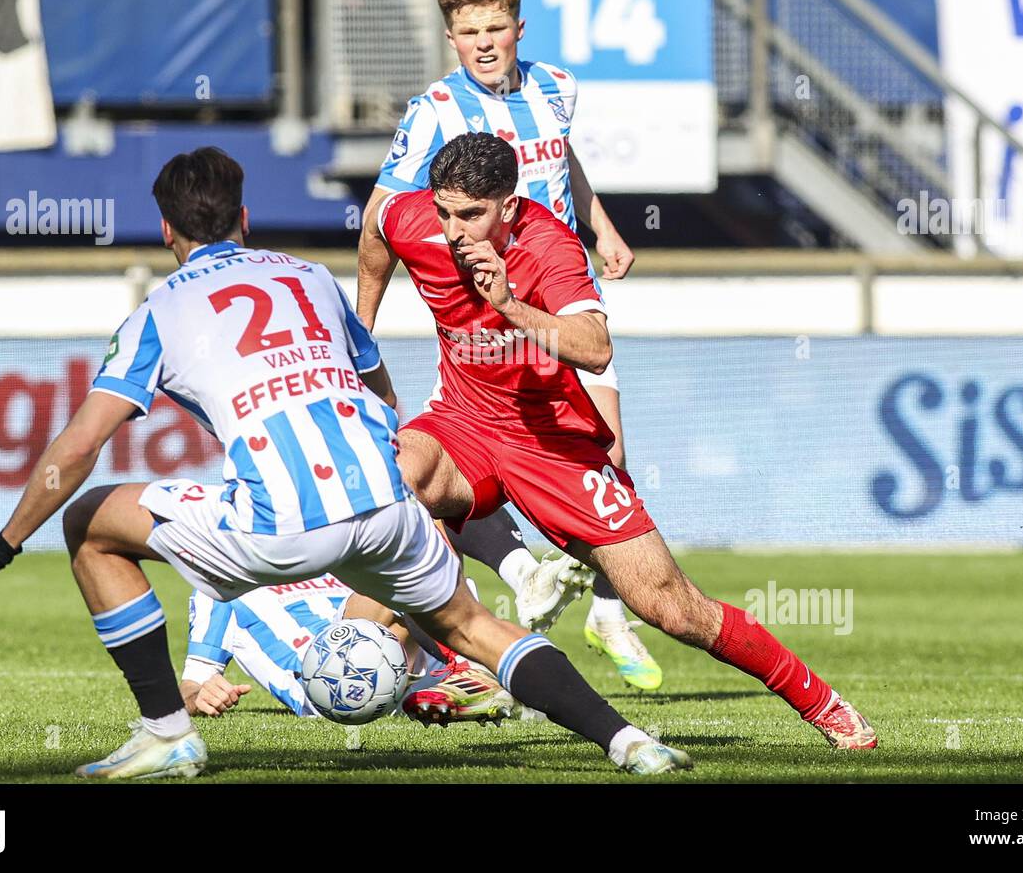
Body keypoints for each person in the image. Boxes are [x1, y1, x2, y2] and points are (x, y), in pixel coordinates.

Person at [0, 146, 690, 778]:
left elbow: (76, 448)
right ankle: (630, 743)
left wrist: (1, 546)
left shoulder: (156, 312)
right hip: (390, 504)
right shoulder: (309, 278)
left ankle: (167, 732)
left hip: (282, 529)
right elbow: (377, 385)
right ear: (244, 218)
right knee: (470, 626)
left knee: (89, 523)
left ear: (166, 228)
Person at [370, 132, 878, 751]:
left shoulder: (549, 245)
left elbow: (594, 346)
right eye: (445, 212)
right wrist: (361, 339)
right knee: (390, 487)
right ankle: (459, 663)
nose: (452, 230)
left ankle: (819, 701)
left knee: (671, 608)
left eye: (470, 215)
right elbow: (377, 234)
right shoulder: (412, 216)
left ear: (508, 205)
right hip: (464, 422)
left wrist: (509, 306)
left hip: (553, 443)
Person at [357, 0, 662, 690]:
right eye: (468, 33)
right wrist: (361, 329)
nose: (484, 44)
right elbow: (380, 218)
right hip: (483, 323)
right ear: (451, 37)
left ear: (518, 28)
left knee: (608, 457)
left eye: (495, 29)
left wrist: (602, 228)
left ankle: (609, 611)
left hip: (558, 304)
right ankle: (501, 596)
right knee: (469, 475)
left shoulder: (558, 86)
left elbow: (564, 160)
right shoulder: (433, 110)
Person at [182, 576, 517, 727]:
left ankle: (506, 680)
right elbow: (188, 689)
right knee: (409, 572)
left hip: (419, 663)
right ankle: (471, 666)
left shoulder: (334, 556)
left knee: (433, 572)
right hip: (333, 684)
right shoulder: (220, 584)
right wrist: (199, 696)